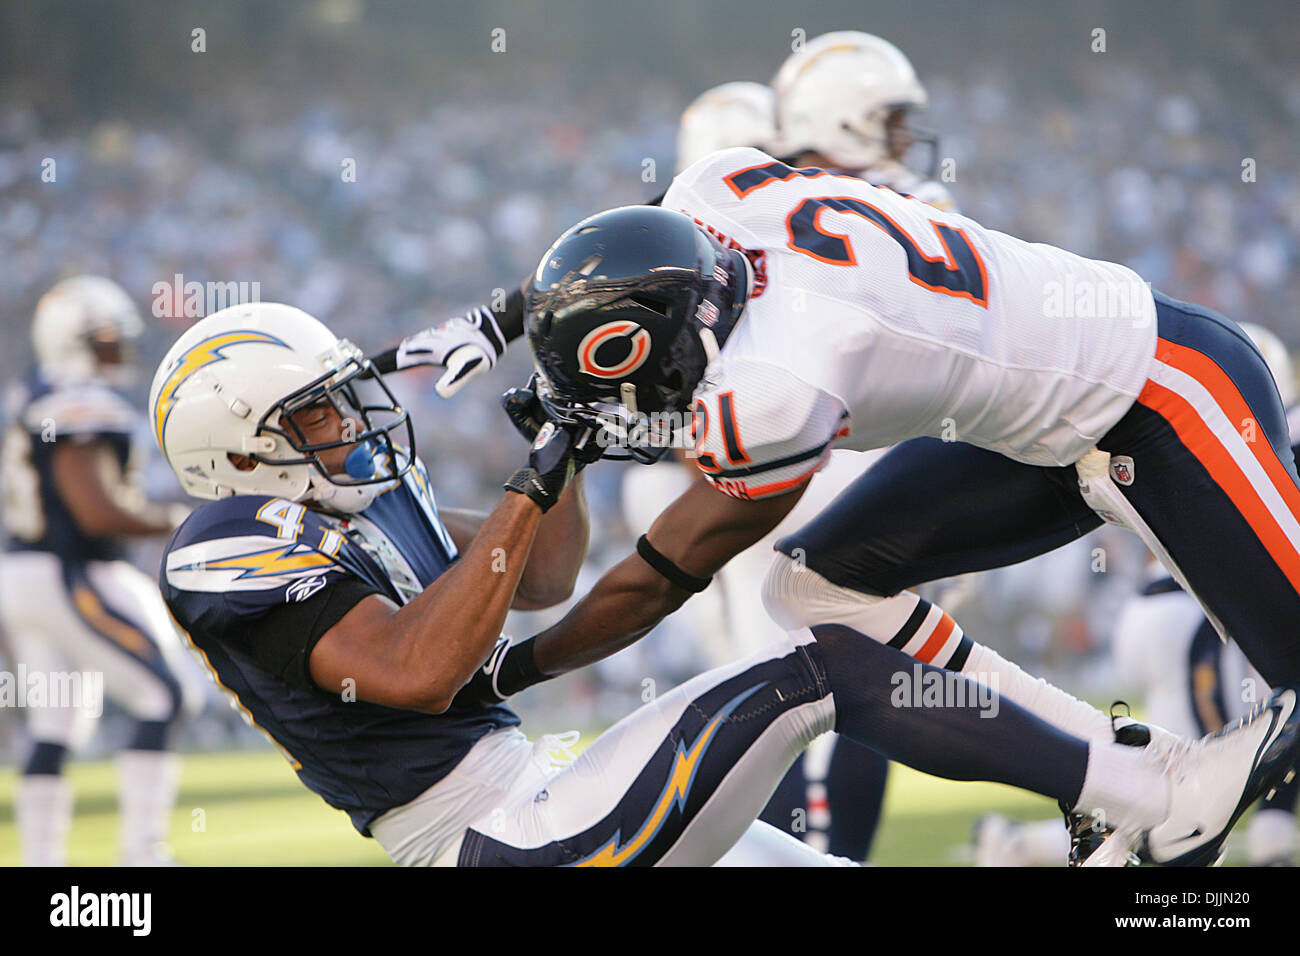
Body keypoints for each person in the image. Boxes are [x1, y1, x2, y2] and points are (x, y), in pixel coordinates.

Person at [146, 301, 1284, 867]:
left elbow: (534, 576)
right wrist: (530, 480)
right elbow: (419, 665)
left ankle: (1119, 805)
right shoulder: (220, 545)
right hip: (477, 835)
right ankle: (1140, 795)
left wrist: (564, 450)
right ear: (232, 447)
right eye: (314, 411)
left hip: (536, 787)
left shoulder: (353, 502)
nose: (349, 423)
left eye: (345, 396)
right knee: (819, 666)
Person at [499, 142, 1300, 864]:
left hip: (1164, 393)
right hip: (1041, 433)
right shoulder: (714, 189)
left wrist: (511, 669)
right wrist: (509, 314)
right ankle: (1132, 773)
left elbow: (658, 578)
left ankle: (1162, 793)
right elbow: (633, 259)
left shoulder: (775, 395)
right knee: (810, 588)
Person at [0, 275, 205, 866]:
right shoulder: (77, 401)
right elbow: (95, 509)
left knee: (55, 726)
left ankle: (42, 862)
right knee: (166, 694)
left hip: (27, 571)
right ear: (77, 339)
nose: (120, 351)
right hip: (69, 569)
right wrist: (175, 517)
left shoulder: (33, 391)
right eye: (109, 339)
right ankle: (142, 855)